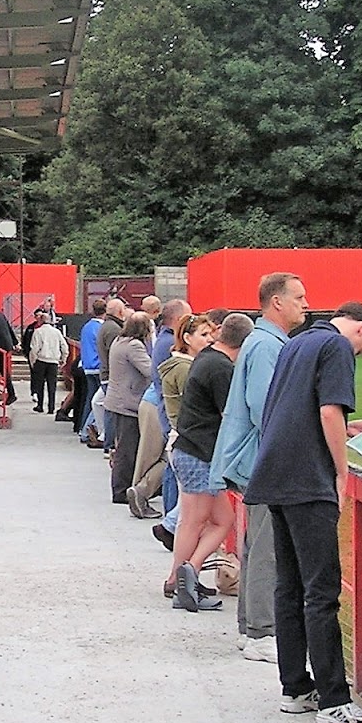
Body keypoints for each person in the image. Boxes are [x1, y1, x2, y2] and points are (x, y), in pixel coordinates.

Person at [248, 301, 362, 723]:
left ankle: (296, 689)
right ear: (361, 331)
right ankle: (333, 700)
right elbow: (327, 410)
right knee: (321, 591)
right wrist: (342, 471)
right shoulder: (336, 346)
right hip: (308, 481)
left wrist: (347, 428)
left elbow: (302, 410)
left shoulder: (298, 341)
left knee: (290, 587)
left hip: (275, 474)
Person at [211, 272, 310, 664]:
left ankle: (250, 627)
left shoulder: (262, 342)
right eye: (299, 297)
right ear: (277, 303)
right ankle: (261, 632)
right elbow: (267, 408)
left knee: (256, 546)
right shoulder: (268, 345)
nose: (306, 303)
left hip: (255, 460)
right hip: (264, 462)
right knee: (267, 547)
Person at [166, 312, 250, 611]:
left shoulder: (207, 358)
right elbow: (233, 415)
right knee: (200, 521)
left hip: (190, 451)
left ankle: (180, 577)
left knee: (207, 521)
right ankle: (185, 576)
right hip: (199, 453)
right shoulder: (221, 368)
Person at [129, 299, 192, 519]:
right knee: (166, 459)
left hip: (154, 403)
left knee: (161, 457)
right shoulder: (171, 345)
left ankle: (146, 495)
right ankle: (143, 492)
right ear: (178, 319)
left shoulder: (164, 341)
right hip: (159, 406)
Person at [104, 311, 154, 504]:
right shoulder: (134, 346)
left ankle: (121, 487)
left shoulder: (119, 341)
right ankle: (122, 490)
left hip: (118, 400)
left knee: (123, 447)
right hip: (129, 402)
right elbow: (149, 371)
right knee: (128, 449)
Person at [95, 298, 128, 456]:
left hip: (106, 374)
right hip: (112, 376)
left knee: (108, 408)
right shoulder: (114, 329)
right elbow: (115, 355)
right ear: (120, 312)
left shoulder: (106, 326)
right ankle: (109, 444)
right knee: (112, 411)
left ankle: (108, 443)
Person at [78, 299, 107, 444]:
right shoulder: (101, 328)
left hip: (87, 366)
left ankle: (83, 427)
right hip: (98, 366)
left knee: (90, 399)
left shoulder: (86, 327)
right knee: (99, 401)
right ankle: (86, 430)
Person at [28, 310, 67, 414]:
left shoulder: (38, 332)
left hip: (41, 360)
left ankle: (40, 405)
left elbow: (34, 349)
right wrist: (63, 359)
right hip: (53, 361)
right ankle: (51, 408)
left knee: (40, 384)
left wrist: (33, 361)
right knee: (52, 385)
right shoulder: (57, 332)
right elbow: (64, 346)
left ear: (41, 320)